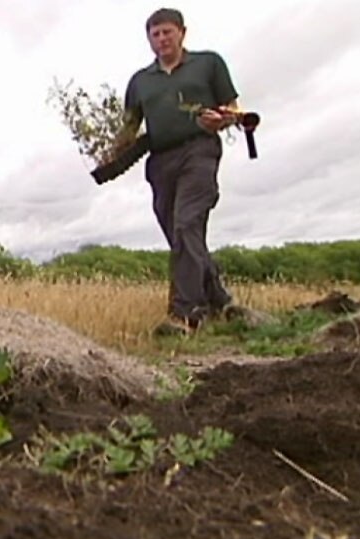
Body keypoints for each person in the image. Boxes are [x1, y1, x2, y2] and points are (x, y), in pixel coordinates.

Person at [113, 7, 243, 332]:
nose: (161, 39)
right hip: (160, 160)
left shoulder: (208, 63)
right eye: (154, 35)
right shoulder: (141, 81)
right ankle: (219, 298)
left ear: (182, 32)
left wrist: (223, 119)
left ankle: (186, 313)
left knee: (187, 223)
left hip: (200, 151)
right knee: (178, 231)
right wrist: (106, 150)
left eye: (167, 32)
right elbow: (128, 129)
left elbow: (234, 111)